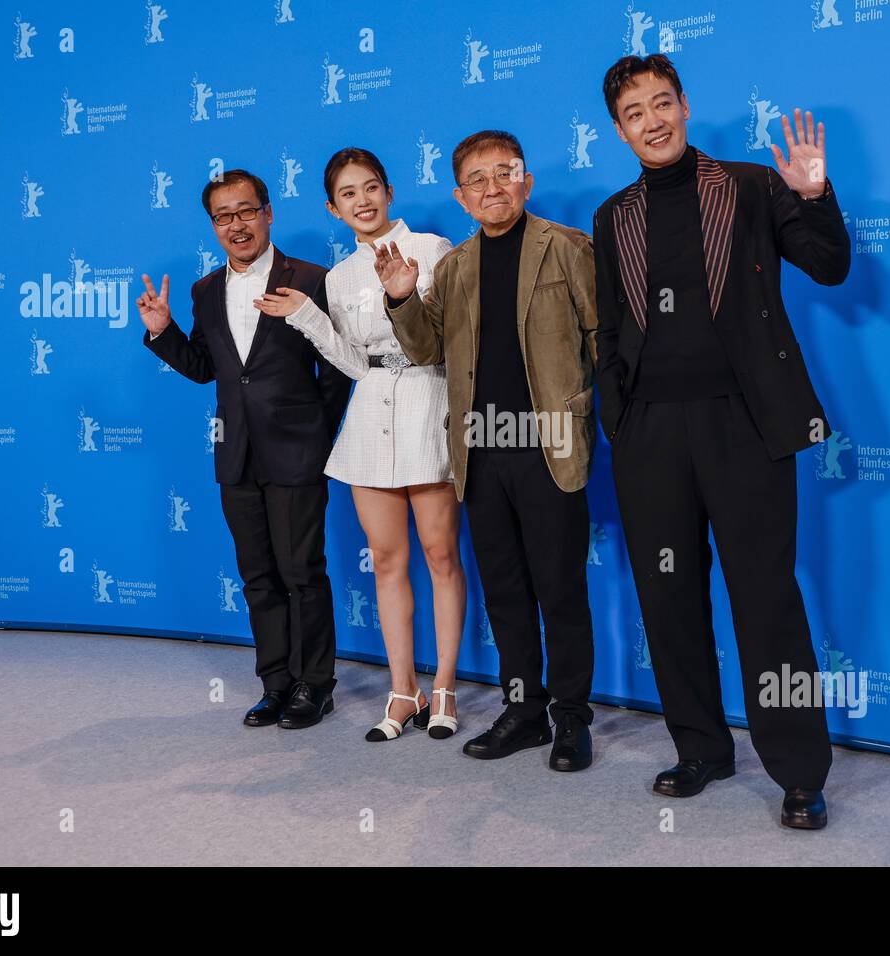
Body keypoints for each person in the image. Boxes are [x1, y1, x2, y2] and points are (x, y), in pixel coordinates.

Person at [593, 55, 849, 828]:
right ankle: (700, 746)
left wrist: (816, 195)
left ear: (685, 106)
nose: (653, 120)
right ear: (619, 128)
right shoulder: (612, 217)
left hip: (744, 423)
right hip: (651, 436)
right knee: (668, 599)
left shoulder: (747, 186)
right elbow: (608, 328)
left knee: (767, 600)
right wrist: (622, 422)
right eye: (635, 111)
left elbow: (830, 267)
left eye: (662, 103)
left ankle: (800, 772)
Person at [373, 130, 599, 772]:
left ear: (525, 180)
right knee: (504, 588)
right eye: (478, 178)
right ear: (461, 196)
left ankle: (572, 719)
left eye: (506, 173)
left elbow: (602, 339)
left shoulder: (568, 247)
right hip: (481, 450)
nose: (493, 186)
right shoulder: (452, 267)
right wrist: (399, 297)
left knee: (560, 590)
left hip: (549, 444)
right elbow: (425, 349)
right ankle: (524, 712)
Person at [256, 148, 466, 742]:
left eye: (371, 187)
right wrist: (307, 317)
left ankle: (445, 685)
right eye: (349, 194)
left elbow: (449, 344)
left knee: (441, 554)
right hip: (370, 417)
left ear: (389, 191)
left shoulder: (433, 250)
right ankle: (404, 691)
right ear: (332, 207)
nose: (363, 201)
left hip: (429, 405)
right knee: (389, 562)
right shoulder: (339, 278)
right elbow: (353, 363)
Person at [138, 169, 351, 731]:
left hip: (297, 452)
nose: (237, 224)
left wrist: (318, 436)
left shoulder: (309, 277)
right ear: (213, 226)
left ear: (268, 213)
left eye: (246, 211)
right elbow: (208, 369)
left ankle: (315, 685)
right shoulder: (204, 290)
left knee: (302, 572)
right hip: (234, 455)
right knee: (257, 576)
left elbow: (335, 369)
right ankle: (276, 683)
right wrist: (163, 332)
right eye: (224, 216)